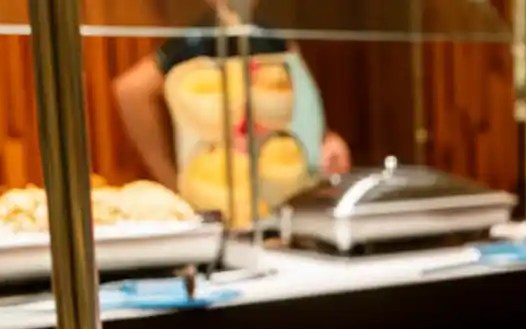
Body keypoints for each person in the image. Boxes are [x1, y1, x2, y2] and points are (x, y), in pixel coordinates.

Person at [114, 1, 351, 190]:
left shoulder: (272, 38)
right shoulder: (198, 40)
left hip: (279, 185)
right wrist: (170, 179)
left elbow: (303, 107)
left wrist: (325, 140)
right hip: (218, 187)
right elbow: (130, 90)